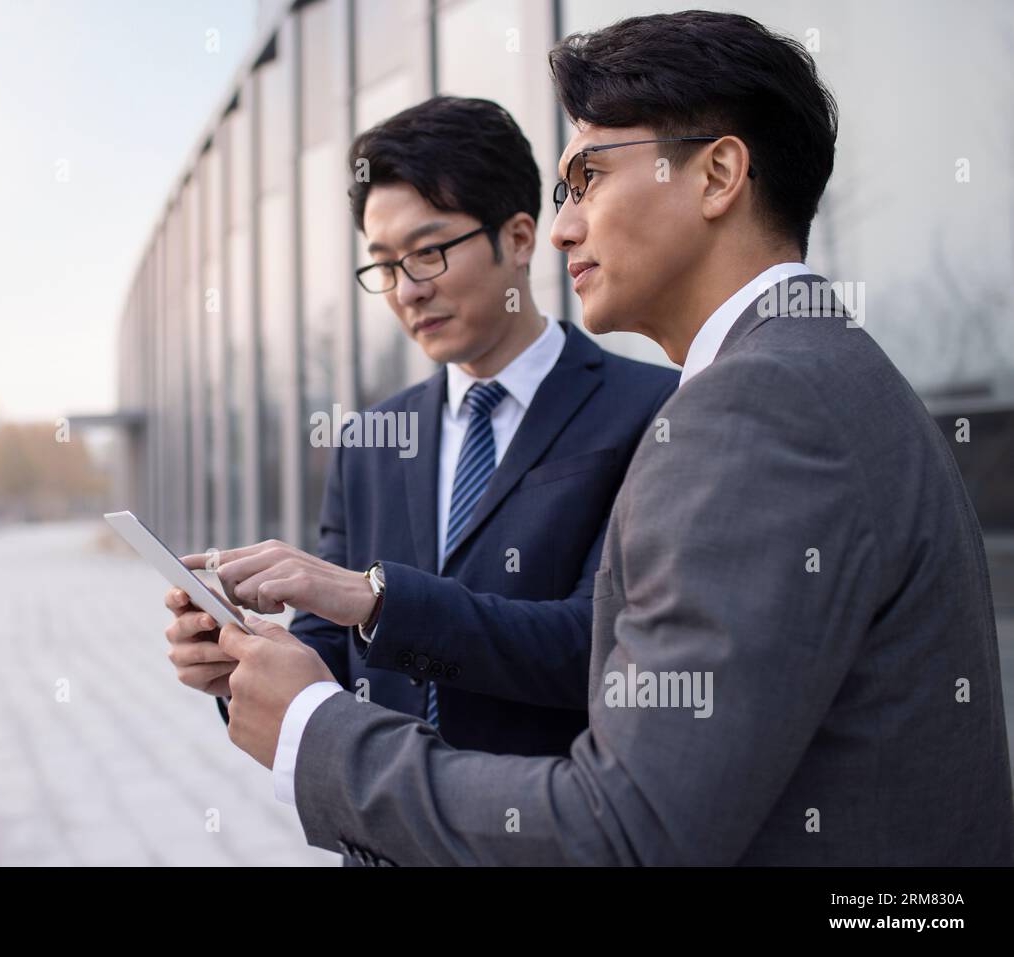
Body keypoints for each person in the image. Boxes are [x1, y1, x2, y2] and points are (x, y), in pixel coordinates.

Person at [210, 11, 1014, 866]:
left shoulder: (753, 406)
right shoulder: (814, 369)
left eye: (588, 177)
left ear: (718, 175)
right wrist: (259, 666)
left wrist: (315, 731)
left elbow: (629, 831)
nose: (565, 228)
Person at [163, 96, 677, 769]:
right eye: (384, 265)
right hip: (385, 815)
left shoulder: (653, 410)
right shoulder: (368, 441)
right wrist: (244, 663)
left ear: (520, 239)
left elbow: (602, 646)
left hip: (546, 811)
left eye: (428, 253)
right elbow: (330, 655)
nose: (407, 290)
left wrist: (379, 602)